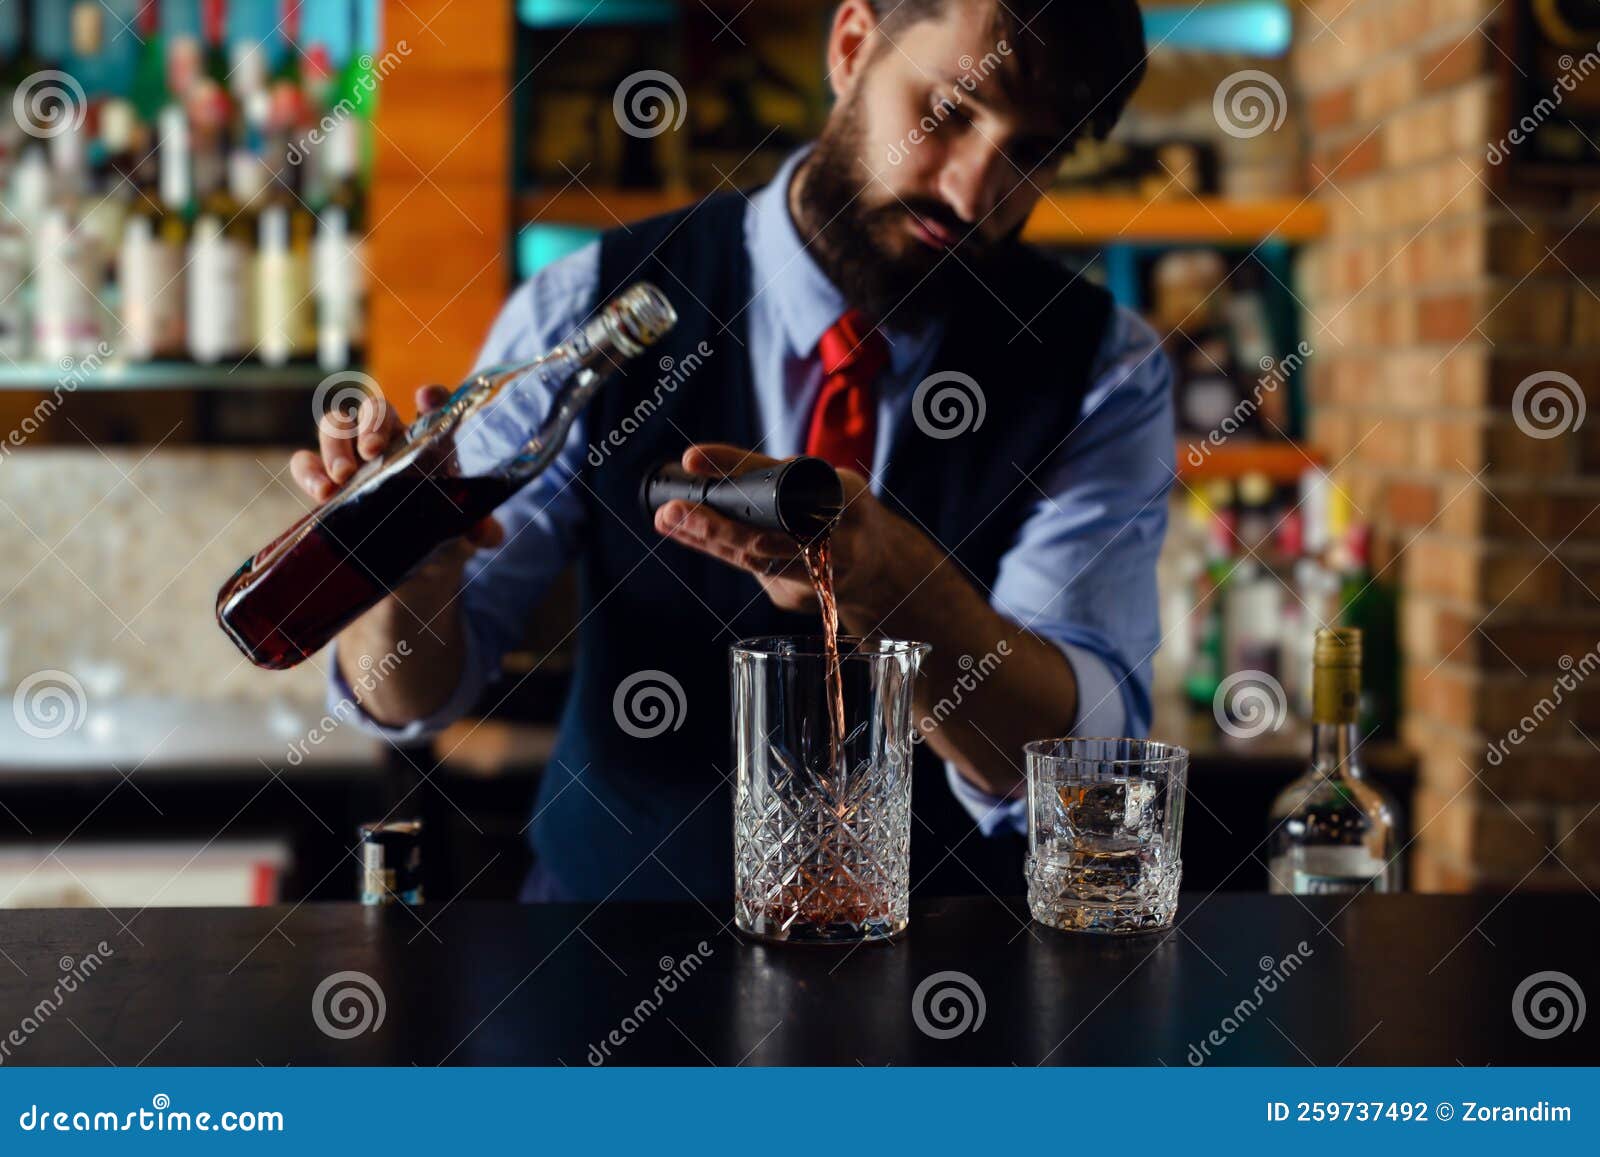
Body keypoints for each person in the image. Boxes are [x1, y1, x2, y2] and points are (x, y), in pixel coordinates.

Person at [291, 0, 1173, 902]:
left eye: (1034, 153)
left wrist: (883, 579)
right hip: (608, 958)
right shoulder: (591, 308)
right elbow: (409, 696)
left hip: (944, 981)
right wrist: (403, 583)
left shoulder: (1104, 369)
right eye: (946, 112)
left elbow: (1080, 761)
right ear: (853, 46)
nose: (972, 194)